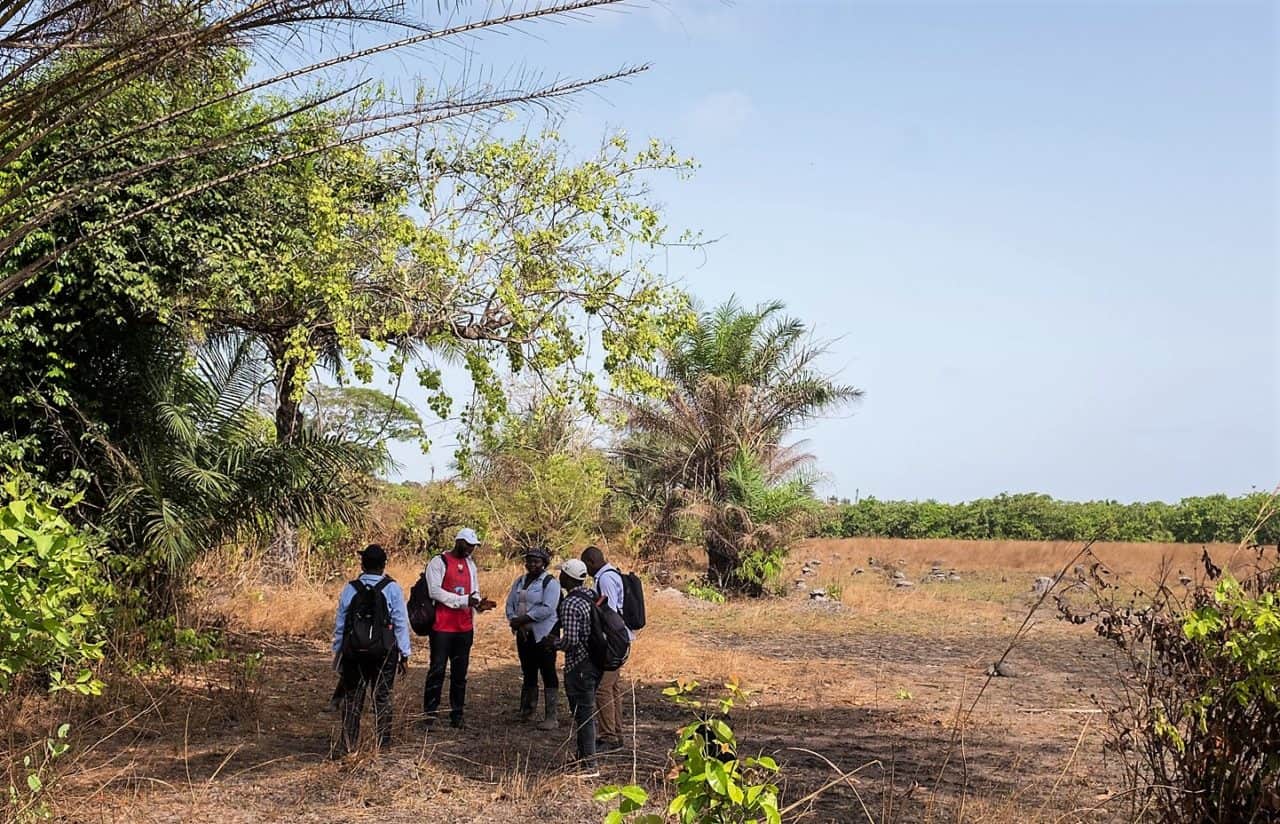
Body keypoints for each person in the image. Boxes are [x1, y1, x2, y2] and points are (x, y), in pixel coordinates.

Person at [331, 544, 411, 755]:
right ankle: (383, 745)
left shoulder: (351, 588)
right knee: (382, 697)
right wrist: (404, 654)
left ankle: (348, 744)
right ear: (384, 565)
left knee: (353, 697)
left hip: (354, 652)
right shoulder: (392, 588)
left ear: (362, 564)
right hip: (384, 652)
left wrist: (338, 651)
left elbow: (341, 623)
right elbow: (400, 622)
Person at [422, 527, 495, 729]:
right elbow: (435, 591)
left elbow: (475, 590)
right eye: (468, 544)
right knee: (437, 670)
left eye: (473, 546)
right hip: (442, 626)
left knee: (459, 673)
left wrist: (478, 603)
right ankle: (429, 714)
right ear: (458, 542)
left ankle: (457, 714)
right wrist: (464, 600)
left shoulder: (470, 564)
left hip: (464, 626)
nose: (471, 549)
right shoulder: (439, 562)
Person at [504, 546, 562, 730]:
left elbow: (548, 608)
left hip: (544, 634)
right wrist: (514, 620)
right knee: (528, 671)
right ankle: (526, 711)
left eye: (536, 561)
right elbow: (510, 603)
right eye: (529, 561)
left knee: (547, 671)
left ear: (544, 563)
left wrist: (524, 618)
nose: (532, 565)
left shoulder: (550, 583)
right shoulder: (520, 581)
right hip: (523, 634)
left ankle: (551, 716)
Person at [581, 545, 631, 752]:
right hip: (618, 639)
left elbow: (609, 612)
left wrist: (604, 642)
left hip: (614, 641)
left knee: (602, 689)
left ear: (592, 562)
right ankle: (615, 732)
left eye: (586, 566)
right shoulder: (609, 575)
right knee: (612, 688)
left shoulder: (606, 579)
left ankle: (608, 736)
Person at [555, 558, 602, 776]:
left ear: (566, 577)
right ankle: (583, 758)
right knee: (586, 710)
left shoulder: (570, 603)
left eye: (562, 574)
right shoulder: (591, 595)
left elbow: (571, 641)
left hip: (579, 665)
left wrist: (552, 643)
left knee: (583, 713)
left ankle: (590, 765)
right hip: (595, 661)